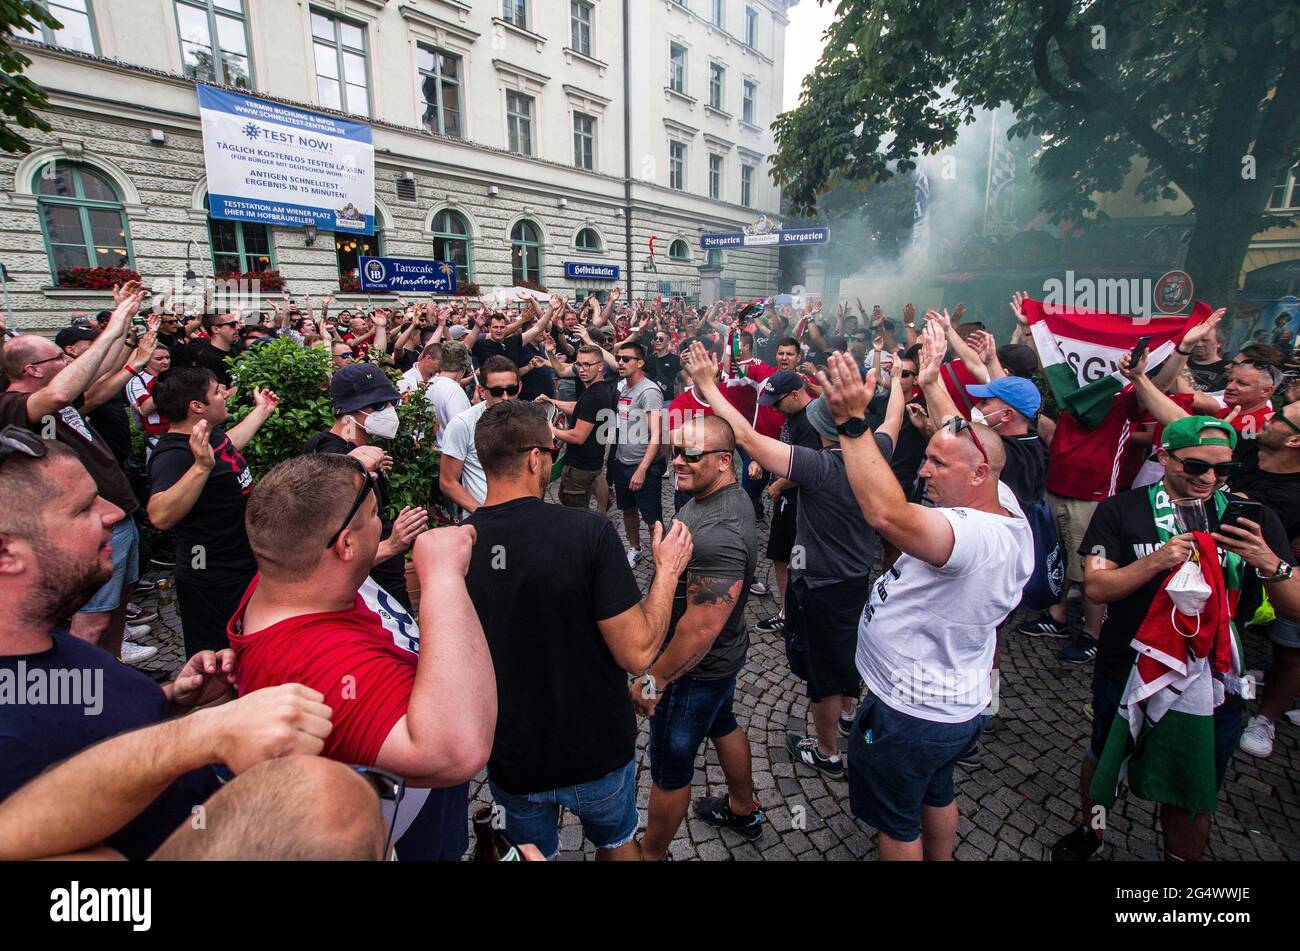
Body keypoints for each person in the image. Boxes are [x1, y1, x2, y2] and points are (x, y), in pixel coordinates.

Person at [0, 433, 324, 860]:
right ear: (7, 554)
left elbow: (86, 723)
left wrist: (173, 699)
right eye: (84, 509)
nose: (114, 513)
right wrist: (202, 733)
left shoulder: (40, 635)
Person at [814, 351, 1033, 860]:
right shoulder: (1004, 501)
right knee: (937, 792)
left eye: (937, 463)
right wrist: (932, 382)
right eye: (927, 457)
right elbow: (971, 437)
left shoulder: (973, 535)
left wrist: (852, 423)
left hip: (913, 713)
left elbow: (887, 515)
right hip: (952, 708)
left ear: (980, 475)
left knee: (896, 825)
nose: (924, 471)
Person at [1052, 416, 1299, 862]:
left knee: (1194, 784)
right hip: (1129, 666)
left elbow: (1294, 606)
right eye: (1195, 465)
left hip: (1214, 675)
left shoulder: (1249, 519)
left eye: (1222, 470)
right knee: (1104, 761)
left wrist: (1268, 560)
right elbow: (1097, 589)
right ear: (1164, 457)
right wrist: (1156, 561)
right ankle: (1093, 834)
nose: (1208, 478)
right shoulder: (1122, 511)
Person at [227, 453, 498, 860]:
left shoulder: (293, 574)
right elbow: (456, 751)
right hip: (403, 835)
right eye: (375, 515)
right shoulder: (314, 660)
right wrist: (442, 576)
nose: (381, 524)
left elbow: (309, 510)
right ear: (346, 545)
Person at [465, 401, 693, 859]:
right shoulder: (586, 531)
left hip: (514, 756)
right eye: (552, 452)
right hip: (597, 749)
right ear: (535, 459)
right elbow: (638, 652)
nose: (552, 461)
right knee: (617, 841)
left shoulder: (456, 546)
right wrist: (667, 572)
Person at [682, 341, 902, 778]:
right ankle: (848, 712)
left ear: (823, 432)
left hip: (819, 585)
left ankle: (826, 750)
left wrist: (708, 384)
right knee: (846, 654)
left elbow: (744, 437)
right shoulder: (877, 452)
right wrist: (904, 381)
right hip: (857, 578)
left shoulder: (821, 467)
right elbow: (893, 419)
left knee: (820, 672)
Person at [636, 414, 761, 859]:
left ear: (725, 462)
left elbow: (700, 629)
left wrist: (656, 679)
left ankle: (652, 852)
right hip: (723, 662)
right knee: (723, 723)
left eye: (692, 454)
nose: (678, 463)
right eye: (675, 452)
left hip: (693, 672)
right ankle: (743, 808)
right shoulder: (717, 493)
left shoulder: (718, 535)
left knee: (670, 768)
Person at [0, 288, 146, 661]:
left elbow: (97, 370)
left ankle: (118, 677)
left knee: (116, 605)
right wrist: (112, 327)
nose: (67, 362)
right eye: (57, 357)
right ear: (31, 369)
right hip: (82, 523)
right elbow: (61, 395)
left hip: (115, 510)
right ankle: (84, 697)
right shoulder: (14, 405)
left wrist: (124, 325)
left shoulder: (58, 389)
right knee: (91, 619)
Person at [147, 366, 279, 656]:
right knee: (218, 660)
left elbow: (229, 444)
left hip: (242, 566)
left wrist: (262, 411)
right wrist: (200, 467)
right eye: (218, 392)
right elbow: (159, 515)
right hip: (211, 577)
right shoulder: (175, 454)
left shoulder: (210, 435)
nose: (226, 395)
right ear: (196, 406)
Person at [304, 364, 430, 609]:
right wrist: (393, 543)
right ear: (349, 412)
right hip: (369, 599)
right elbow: (331, 556)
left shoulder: (343, 452)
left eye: (391, 402)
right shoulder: (336, 464)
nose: (390, 411)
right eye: (379, 405)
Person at [752, 369, 822, 638]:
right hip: (785, 503)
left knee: (797, 558)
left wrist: (779, 484)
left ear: (795, 394)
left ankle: (799, 613)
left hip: (801, 506)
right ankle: (786, 611)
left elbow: (812, 465)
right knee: (781, 555)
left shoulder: (812, 420)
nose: (776, 410)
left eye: (777, 403)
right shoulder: (793, 415)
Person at [439, 356, 520, 515]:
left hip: (524, 517)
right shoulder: (463, 424)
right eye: (497, 391)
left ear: (520, 387)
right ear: (482, 391)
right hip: (484, 522)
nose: (505, 397)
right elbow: (448, 481)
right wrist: (483, 514)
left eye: (511, 390)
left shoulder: (530, 421)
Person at [611, 341, 666, 568]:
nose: (620, 362)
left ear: (640, 362)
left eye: (626, 359)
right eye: (618, 358)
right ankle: (635, 548)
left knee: (653, 519)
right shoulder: (624, 386)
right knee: (628, 510)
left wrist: (642, 469)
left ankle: (661, 561)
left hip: (642, 466)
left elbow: (656, 435)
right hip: (622, 462)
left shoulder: (649, 391)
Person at [547, 345, 616, 509]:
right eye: (579, 364)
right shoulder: (596, 389)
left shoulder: (594, 395)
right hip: (591, 461)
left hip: (580, 467)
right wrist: (551, 401)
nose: (582, 369)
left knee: (575, 511)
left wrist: (550, 428)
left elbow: (577, 437)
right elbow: (577, 407)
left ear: (600, 366)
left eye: (587, 365)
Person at [397, 340, 473, 450]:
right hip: (450, 456)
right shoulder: (454, 391)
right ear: (463, 368)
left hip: (432, 453)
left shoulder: (429, 385)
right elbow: (461, 432)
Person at [124, 342, 171, 456]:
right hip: (159, 439)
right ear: (146, 360)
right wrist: (163, 386)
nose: (165, 362)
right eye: (159, 359)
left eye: (167, 358)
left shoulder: (176, 375)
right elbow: (145, 409)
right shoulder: (136, 381)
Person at [191, 312, 240, 388]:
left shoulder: (235, 349)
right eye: (232, 324)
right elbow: (221, 395)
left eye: (237, 323)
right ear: (216, 329)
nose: (238, 327)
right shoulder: (207, 359)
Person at [646, 330, 683, 399]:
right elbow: (644, 379)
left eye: (661, 339)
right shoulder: (649, 359)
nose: (657, 341)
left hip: (668, 400)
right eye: (655, 338)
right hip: (651, 399)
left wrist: (679, 397)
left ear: (668, 342)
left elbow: (681, 380)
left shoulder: (675, 359)